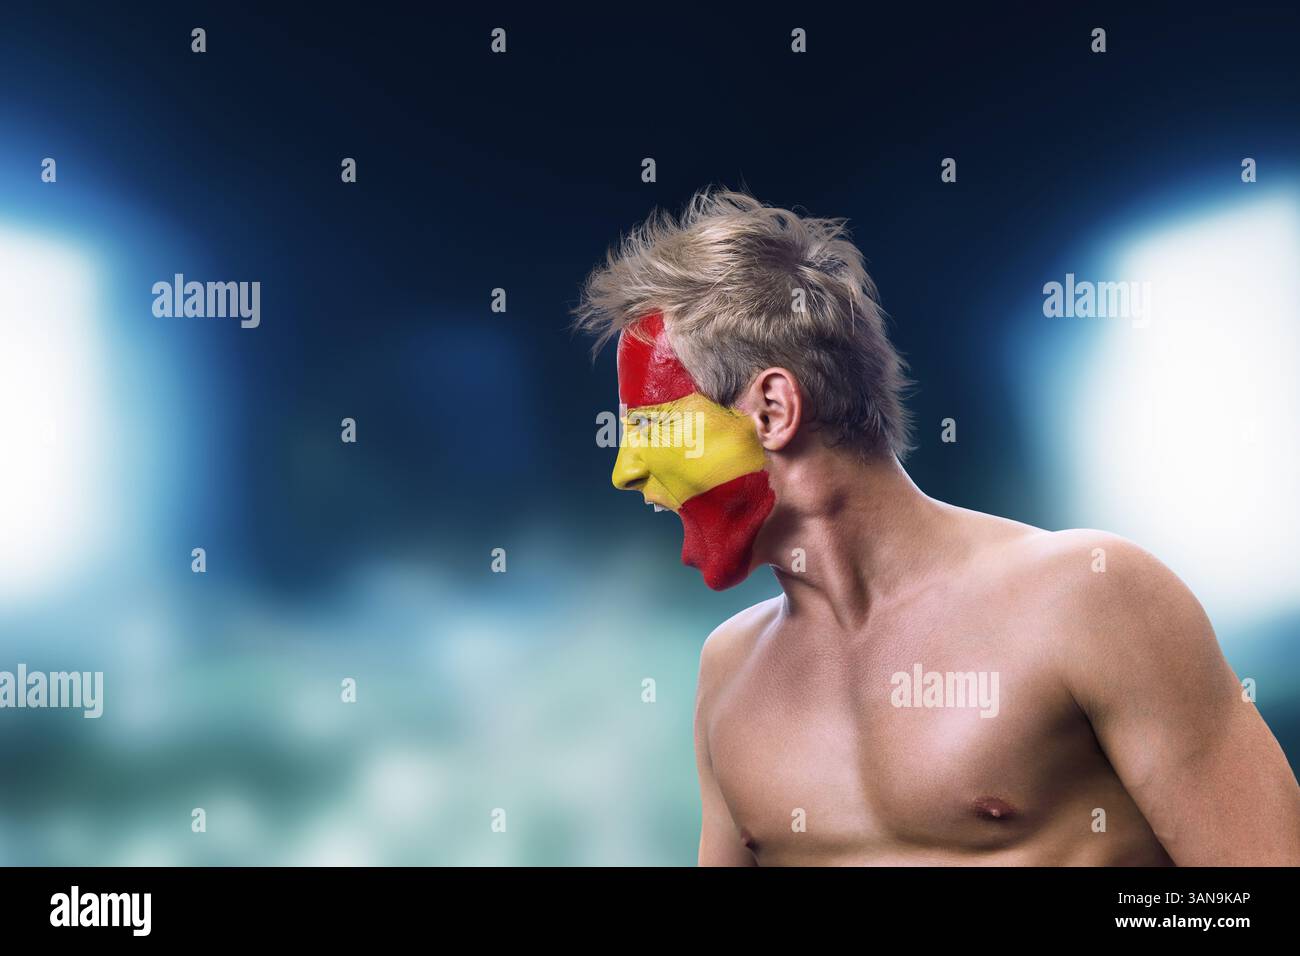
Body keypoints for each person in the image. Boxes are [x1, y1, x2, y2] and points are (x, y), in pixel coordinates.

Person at [573, 187, 1300, 865]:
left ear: (771, 410)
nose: (626, 470)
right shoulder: (728, 670)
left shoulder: (1089, 596)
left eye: (651, 429)